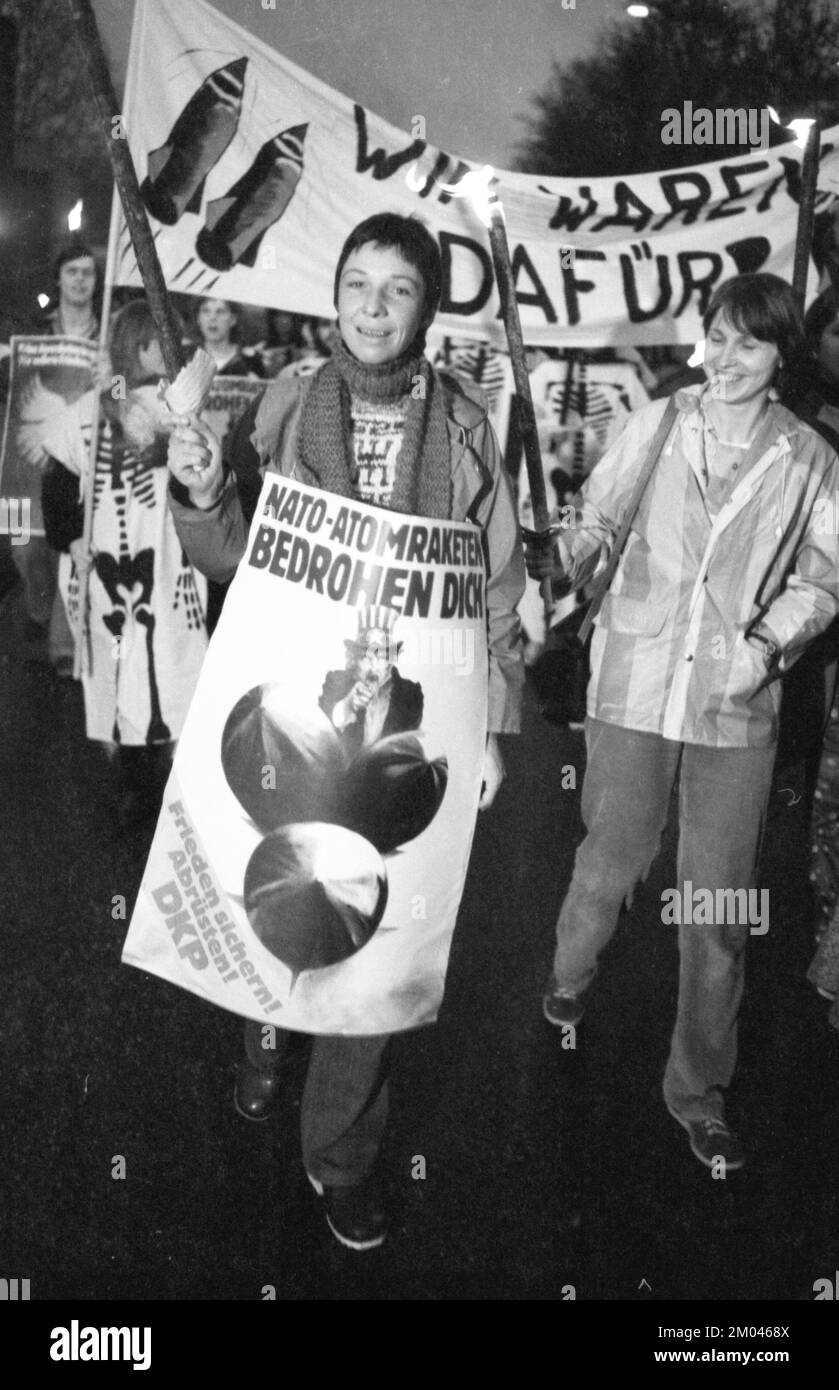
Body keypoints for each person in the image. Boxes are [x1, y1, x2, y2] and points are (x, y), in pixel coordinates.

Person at [167, 211, 525, 1250]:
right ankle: (265, 1026)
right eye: (355, 285)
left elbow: (490, 584)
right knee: (276, 889)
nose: (372, 308)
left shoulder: (462, 425)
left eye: (396, 289)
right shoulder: (283, 403)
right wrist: (201, 492)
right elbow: (232, 548)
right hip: (285, 696)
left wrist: (491, 720)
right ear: (333, 297)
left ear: (426, 305)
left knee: (378, 930)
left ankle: (344, 1155)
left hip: (402, 716)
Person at [525, 272, 839, 1171]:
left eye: (749, 341)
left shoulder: (809, 459)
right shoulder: (660, 424)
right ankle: (568, 973)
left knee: (717, 906)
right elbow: (596, 521)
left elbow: (823, 576)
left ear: (782, 352)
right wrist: (567, 554)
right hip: (633, 688)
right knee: (610, 861)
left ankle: (697, 1090)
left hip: (733, 711)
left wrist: (763, 648)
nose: (728, 357)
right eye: (717, 336)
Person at [41, 299, 209, 827]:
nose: (176, 351)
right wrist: (71, 540)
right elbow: (60, 481)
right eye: (167, 341)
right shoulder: (100, 409)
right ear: (142, 348)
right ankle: (138, 791)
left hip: (167, 560)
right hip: (115, 564)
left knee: (168, 661)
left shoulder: (174, 408)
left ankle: (169, 788)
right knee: (125, 665)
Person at [7, 239, 101, 674]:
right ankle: (38, 607)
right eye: (73, 272)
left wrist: (112, 380)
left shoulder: (107, 337)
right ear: (60, 279)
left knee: (71, 545)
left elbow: (121, 396)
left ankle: (63, 646)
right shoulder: (33, 331)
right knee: (24, 546)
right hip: (24, 473)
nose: (80, 280)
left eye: (88, 272)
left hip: (75, 464)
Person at [320, 604, 423, 751]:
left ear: (390, 660)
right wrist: (349, 704)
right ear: (354, 659)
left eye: (380, 657)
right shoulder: (335, 681)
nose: (373, 666)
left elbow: (407, 745)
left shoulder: (410, 694)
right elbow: (322, 728)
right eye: (366, 657)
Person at [193, 297, 264, 378]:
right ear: (198, 319)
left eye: (220, 312)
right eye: (206, 311)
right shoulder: (187, 358)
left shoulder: (250, 361)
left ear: (233, 319)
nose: (212, 317)